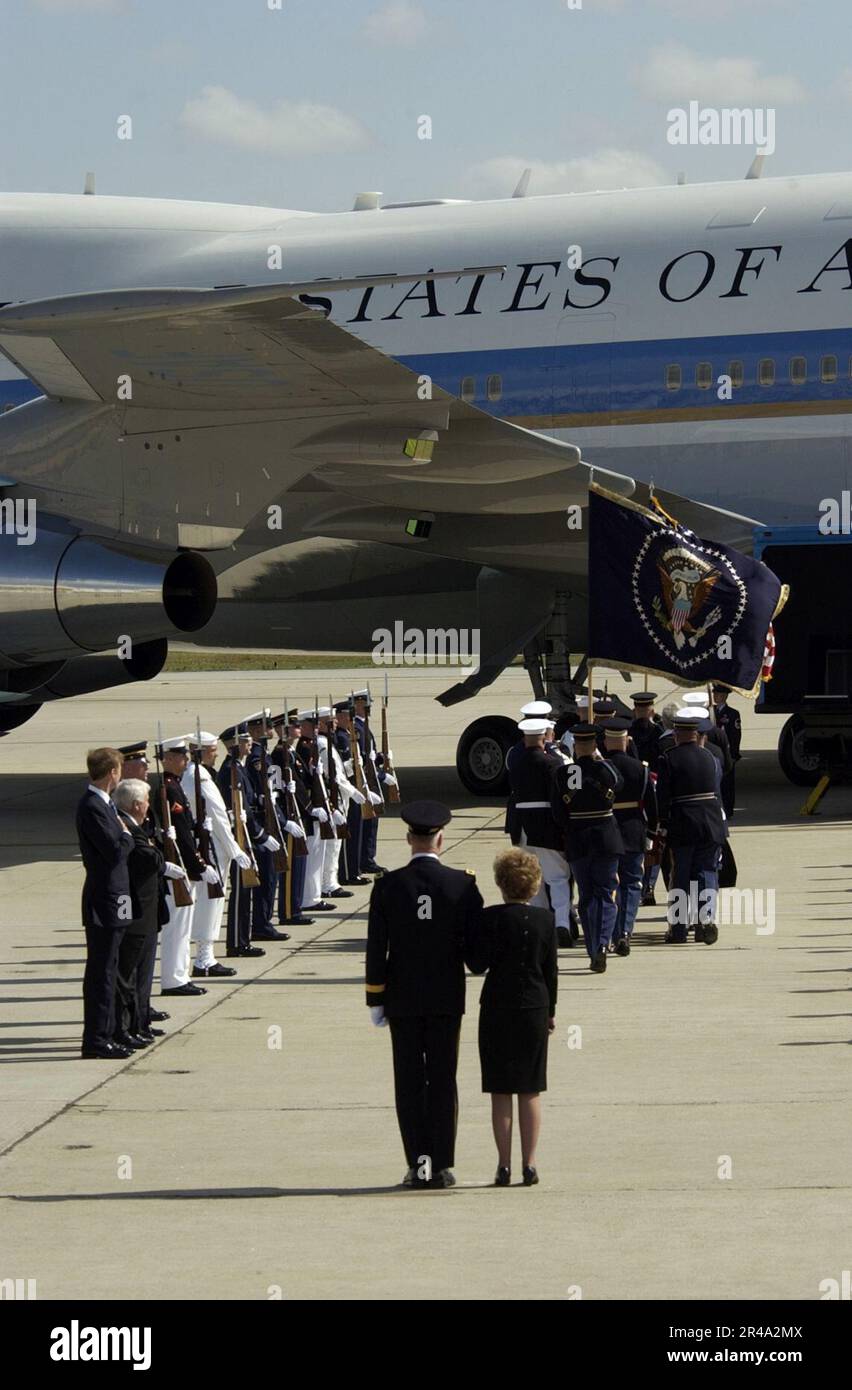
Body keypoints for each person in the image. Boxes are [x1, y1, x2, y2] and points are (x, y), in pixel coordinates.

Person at [365, 800, 483, 1189]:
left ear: (408, 839)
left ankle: (420, 1164)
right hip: (446, 997)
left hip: (402, 999)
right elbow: (475, 955)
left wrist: (375, 997)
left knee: (410, 1082)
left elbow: (376, 948)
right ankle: (442, 1165)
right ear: (441, 838)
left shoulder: (388, 887)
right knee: (443, 1079)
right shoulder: (462, 885)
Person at [467, 849, 557, 1188]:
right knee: (530, 1089)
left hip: (497, 1006)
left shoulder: (491, 919)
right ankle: (529, 1164)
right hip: (534, 1006)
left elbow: (477, 964)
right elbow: (551, 972)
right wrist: (551, 1011)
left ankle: (503, 1165)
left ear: (500, 884)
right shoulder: (545, 921)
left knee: (500, 1090)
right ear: (534, 886)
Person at [551, 723, 624, 973]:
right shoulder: (605, 769)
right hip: (605, 838)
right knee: (605, 894)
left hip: (578, 839)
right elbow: (619, 783)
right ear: (594, 745)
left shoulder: (564, 773)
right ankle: (603, 945)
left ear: (575, 746)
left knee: (587, 896)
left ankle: (593, 949)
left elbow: (559, 814)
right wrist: (599, 759)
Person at [76, 747, 134, 1059]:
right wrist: (126, 837)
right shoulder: (92, 807)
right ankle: (96, 1039)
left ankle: (111, 1031)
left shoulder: (105, 804)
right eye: (119, 769)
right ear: (112, 772)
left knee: (112, 968)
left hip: (117, 895)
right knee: (102, 971)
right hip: (104, 899)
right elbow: (114, 850)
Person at [184, 731, 256, 976]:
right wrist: (235, 849)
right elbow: (218, 817)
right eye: (213, 750)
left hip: (210, 844)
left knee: (210, 903)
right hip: (213, 846)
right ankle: (204, 959)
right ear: (202, 751)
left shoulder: (196, 775)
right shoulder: (199, 777)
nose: (216, 754)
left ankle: (206, 957)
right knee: (211, 903)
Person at [113, 778, 175, 1047]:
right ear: (138, 805)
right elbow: (151, 860)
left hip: (148, 911)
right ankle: (128, 1026)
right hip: (136, 910)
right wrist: (155, 850)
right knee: (131, 973)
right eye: (147, 801)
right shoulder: (128, 827)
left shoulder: (136, 826)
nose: (149, 805)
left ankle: (140, 1024)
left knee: (144, 972)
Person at [656, 710, 727, 945]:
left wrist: (662, 825)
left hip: (683, 825)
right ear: (696, 734)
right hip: (711, 824)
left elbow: (663, 798)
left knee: (681, 876)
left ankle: (678, 929)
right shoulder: (711, 758)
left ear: (676, 733)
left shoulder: (668, 759)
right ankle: (705, 921)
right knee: (706, 872)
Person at [506, 716, 574, 947]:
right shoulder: (551, 763)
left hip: (522, 826)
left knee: (533, 880)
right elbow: (558, 797)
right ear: (545, 737)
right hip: (545, 824)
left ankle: (540, 927)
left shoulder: (515, 761)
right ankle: (562, 923)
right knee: (557, 877)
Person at [602, 720, 658, 955]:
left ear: (606, 742)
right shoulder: (641, 768)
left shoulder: (601, 768)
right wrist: (653, 831)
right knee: (632, 883)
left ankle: (613, 933)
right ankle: (625, 931)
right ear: (626, 741)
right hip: (634, 829)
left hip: (607, 830)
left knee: (610, 884)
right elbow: (652, 806)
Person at [216, 725, 269, 958]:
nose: (250, 745)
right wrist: (258, 834)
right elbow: (238, 806)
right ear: (236, 745)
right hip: (240, 836)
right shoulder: (230, 770)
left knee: (246, 891)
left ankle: (242, 940)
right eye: (246, 742)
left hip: (246, 832)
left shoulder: (238, 767)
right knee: (239, 893)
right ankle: (237, 943)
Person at [270, 711, 314, 926]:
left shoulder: (290, 752)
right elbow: (277, 785)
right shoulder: (279, 754)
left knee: (299, 863)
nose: (299, 728)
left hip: (299, 813)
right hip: (290, 813)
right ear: (285, 730)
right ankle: (288, 911)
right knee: (291, 865)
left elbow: (303, 781)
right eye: (295, 725)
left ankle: (294, 909)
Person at [332, 701, 369, 887]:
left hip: (355, 789)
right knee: (350, 834)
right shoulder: (340, 737)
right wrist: (353, 765)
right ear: (339, 717)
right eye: (346, 715)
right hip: (348, 791)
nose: (349, 719)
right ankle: (347, 872)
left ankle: (354, 870)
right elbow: (342, 769)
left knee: (357, 830)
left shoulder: (348, 734)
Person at [712, 684, 742, 818]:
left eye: (717, 694)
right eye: (714, 693)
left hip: (727, 754)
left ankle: (728, 810)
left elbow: (735, 735)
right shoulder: (710, 712)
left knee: (727, 784)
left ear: (724, 696)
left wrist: (734, 754)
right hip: (713, 753)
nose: (714, 696)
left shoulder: (732, 714)